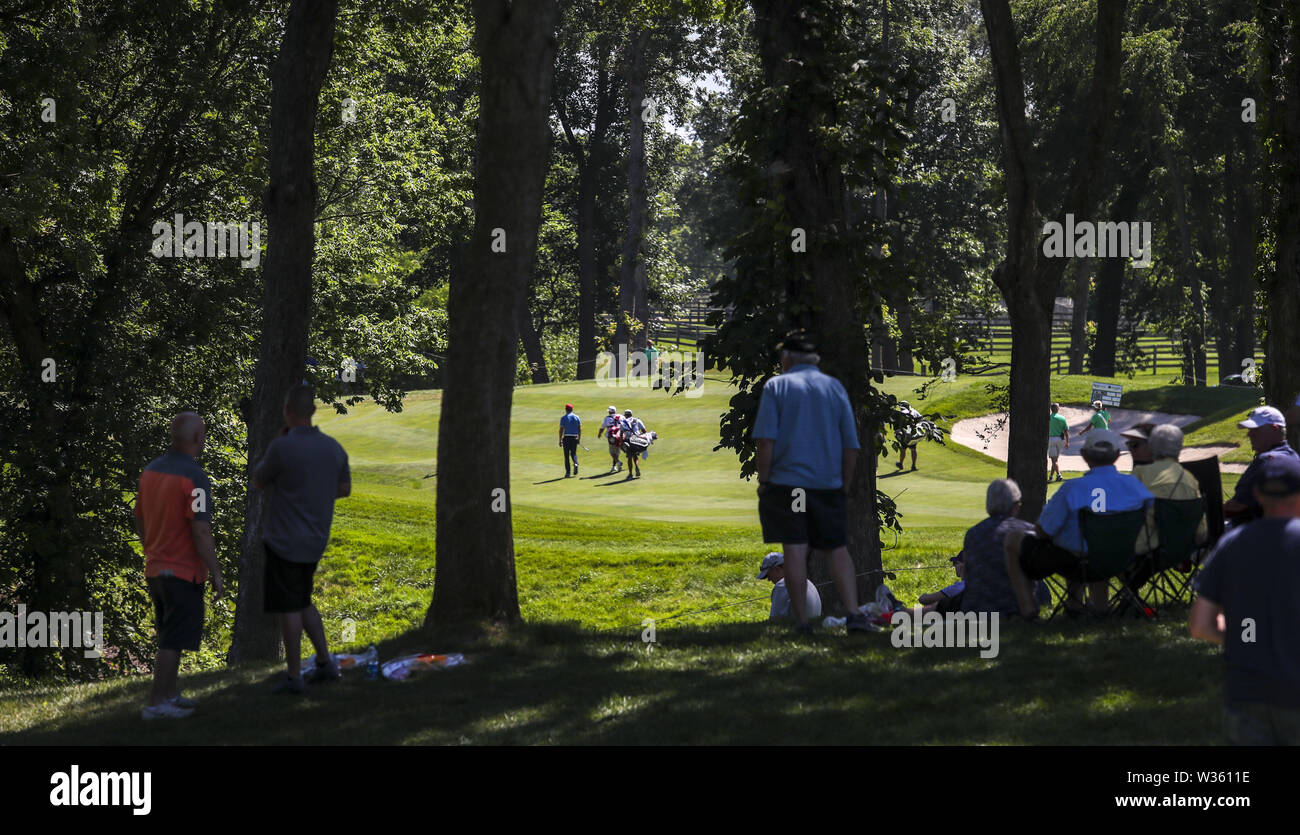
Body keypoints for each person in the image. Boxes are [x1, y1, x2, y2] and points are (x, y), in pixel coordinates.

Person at [753, 330, 869, 634]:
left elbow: (765, 441)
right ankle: (854, 614)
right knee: (836, 548)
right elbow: (851, 446)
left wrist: (764, 483)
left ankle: (802, 622)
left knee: (794, 549)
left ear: (788, 357)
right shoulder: (834, 387)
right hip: (827, 486)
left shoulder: (777, 386)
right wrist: (843, 485)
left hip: (791, 486)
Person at [1190, 455, 1300, 744]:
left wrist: (1247, 635)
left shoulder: (1232, 543)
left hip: (1246, 693)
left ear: (1258, 495)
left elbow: (1201, 625)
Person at [252, 385, 351, 694]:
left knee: (289, 606)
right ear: (313, 411)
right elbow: (344, 489)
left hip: (285, 539)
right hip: (315, 539)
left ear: (287, 411)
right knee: (302, 599)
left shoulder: (282, 447)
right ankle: (325, 664)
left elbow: (258, 479)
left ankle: (294, 677)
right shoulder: (334, 448)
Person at [1003, 430, 1153, 618]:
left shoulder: (1072, 489)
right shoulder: (1135, 485)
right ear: (1116, 455)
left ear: (1084, 455)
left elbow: (1042, 531)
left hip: (1079, 564)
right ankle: (1092, 607)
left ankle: (1029, 611)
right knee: (1096, 540)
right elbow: (1152, 521)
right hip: (1124, 560)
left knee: (1015, 538)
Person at [133, 412, 223, 719]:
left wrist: (150, 548)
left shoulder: (150, 471)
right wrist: (216, 570)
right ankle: (157, 704)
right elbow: (200, 529)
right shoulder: (195, 478)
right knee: (172, 639)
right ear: (198, 439)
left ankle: (170, 694)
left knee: (169, 634)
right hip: (183, 571)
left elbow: (138, 516)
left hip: (156, 569)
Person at [959, 479, 1035, 617]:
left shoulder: (972, 534)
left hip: (975, 611)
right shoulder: (1027, 530)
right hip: (1014, 609)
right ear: (1016, 505)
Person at [1129, 424, 1206, 555]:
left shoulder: (1140, 472)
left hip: (1147, 548)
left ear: (1152, 446)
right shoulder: (1190, 478)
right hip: (1183, 547)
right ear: (1180, 448)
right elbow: (1201, 530)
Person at [1223, 406, 1300, 526]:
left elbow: (1237, 506)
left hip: (1257, 534)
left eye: (1256, 429)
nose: (1249, 434)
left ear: (1274, 428)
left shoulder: (1266, 461)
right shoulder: (1294, 458)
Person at [757, 551, 822, 621]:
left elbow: (774, 620)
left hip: (795, 628)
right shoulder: (807, 582)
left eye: (768, 575)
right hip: (812, 626)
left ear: (777, 569)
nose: (769, 579)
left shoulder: (782, 585)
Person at [895, 400, 923, 471]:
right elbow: (921, 419)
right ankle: (913, 465)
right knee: (913, 449)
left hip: (905, 434)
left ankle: (901, 464)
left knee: (903, 449)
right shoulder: (914, 411)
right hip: (914, 434)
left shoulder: (902, 413)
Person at [1047, 403, 1070, 482]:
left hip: (1051, 439)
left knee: (1054, 460)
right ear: (1058, 409)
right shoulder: (1062, 418)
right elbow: (1066, 431)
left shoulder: (1048, 418)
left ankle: (1059, 475)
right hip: (1060, 440)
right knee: (1055, 459)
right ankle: (1051, 476)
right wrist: (1067, 442)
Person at [621, 409, 647, 478]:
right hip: (637, 440)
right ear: (631, 414)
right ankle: (637, 467)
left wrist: (622, 441)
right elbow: (644, 431)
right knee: (635, 455)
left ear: (625, 415)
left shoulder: (623, 422)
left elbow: (621, 434)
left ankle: (630, 474)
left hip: (629, 440)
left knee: (629, 457)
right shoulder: (637, 420)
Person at [598, 405, 624, 473]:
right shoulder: (621, 416)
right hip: (620, 436)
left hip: (611, 437)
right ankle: (614, 466)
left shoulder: (607, 418)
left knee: (612, 452)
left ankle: (618, 462)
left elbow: (602, 427)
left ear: (609, 412)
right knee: (617, 452)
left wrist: (599, 434)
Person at [559, 403, 581, 477]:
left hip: (567, 437)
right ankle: (575, 463)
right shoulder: (577, 417)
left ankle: (568, 473)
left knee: (566, 455)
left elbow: (561, 430)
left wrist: (560, 440)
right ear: (572, 409)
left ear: (566, 409)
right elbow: (579, 429)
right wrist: (579, 438)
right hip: (574, 437)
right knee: (573, 453)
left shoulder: (563, 418)